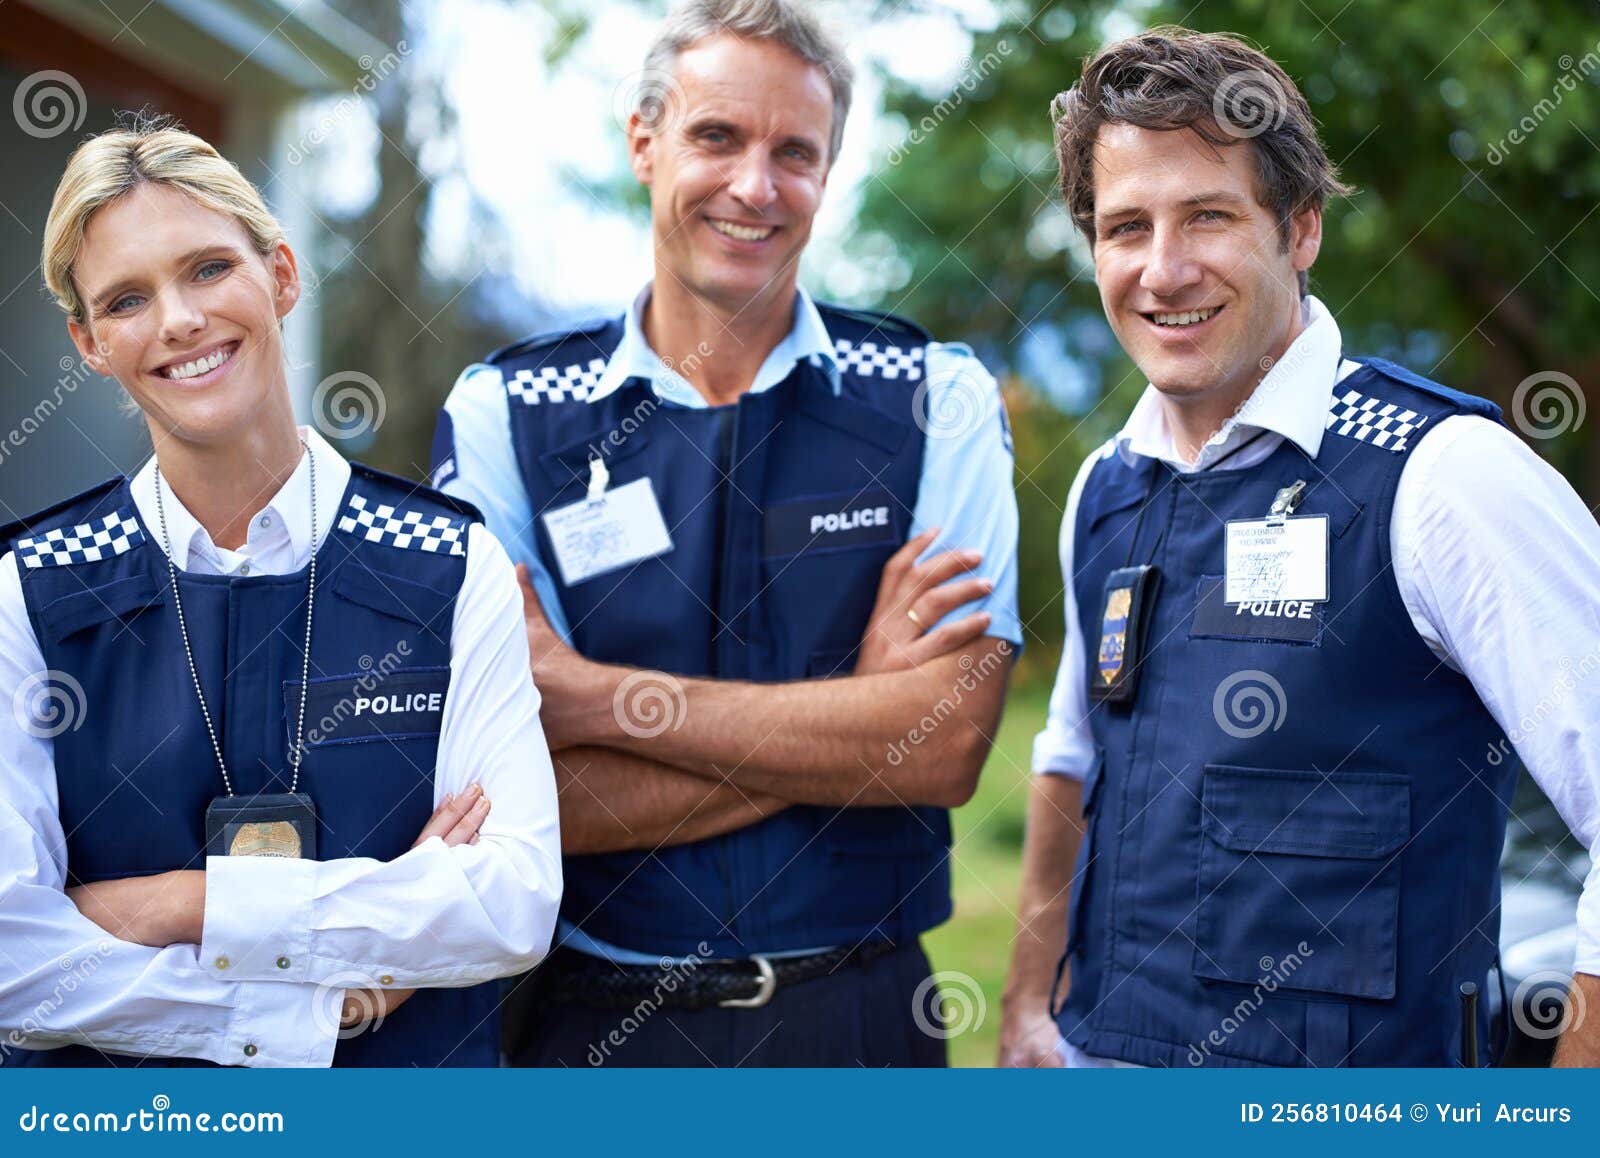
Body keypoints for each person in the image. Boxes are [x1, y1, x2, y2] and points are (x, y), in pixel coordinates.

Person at [998, 27, 1600, 1068]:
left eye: (1208, 217)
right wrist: (1021, 1010)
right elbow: (1068, 758)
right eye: (1124, 227)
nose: (1162, 268)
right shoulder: (1105, 489)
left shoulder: (1442, 475)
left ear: (1303, 228)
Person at [435, 0, 1020, 1066]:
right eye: (717, 137)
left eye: (793, 152)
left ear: (829, 172)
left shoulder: (938, 396)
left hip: (866, 1025)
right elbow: (516, 802)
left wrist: (591, 699)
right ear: (644, 142)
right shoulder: (505, 413)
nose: (755, 187)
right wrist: (855, 725)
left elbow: (944, 745)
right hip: (599, 1030)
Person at [0, 120, 562, 1068]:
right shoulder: (30, 588)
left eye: (210, 268)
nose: (178, 319)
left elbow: (511, 903)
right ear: (90, 342)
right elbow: (14, 958)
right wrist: (324, 1005)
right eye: (128, 299)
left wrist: (179, 904)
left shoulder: (450, 566)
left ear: (283, 276)